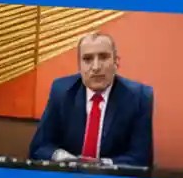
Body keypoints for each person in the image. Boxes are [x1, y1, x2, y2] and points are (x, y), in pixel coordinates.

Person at [28, 32, 154, 169]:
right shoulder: (62, 91)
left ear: (116, 62)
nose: (95, 67)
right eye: (87, 59)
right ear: (79, 66)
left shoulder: (140, 97)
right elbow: (39, 147)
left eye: (103, 57)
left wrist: (101, 165)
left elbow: (141, 158)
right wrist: (67, 160)